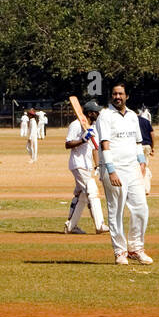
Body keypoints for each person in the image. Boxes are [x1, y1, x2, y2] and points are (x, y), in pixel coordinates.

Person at [95, 84, 149, 264]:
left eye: (121, 94)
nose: (117, 97)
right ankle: (120, 251)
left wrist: (142, 161)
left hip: (132, 168)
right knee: (116, 210)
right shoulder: (105, 115)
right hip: (114, 168)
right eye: (114, 94)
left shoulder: (133, 116)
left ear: (127, 96)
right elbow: (105, 144)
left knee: (141, 208)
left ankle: (136, 248)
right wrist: (111, 170)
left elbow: (137, 142)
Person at [64, 99, 107, 234]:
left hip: (87, 165)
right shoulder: (76, 125)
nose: (98, 114)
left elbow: (94, 149)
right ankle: (100, 225)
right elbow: (68, 144)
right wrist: (82, 139)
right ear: (90, 113)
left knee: (82, 195)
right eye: (96, 112)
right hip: (78, 164)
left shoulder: (92, 127)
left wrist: (98, 166)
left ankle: (71, 226)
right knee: (92, 191)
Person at [137, 108, 154, 194]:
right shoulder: (146, 121)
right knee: (144, 166)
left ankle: (142, 188)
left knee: (138, 167)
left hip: (137, 146)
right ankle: (146, 188)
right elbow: (152, 134)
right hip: (147, 145)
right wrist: (152, 147)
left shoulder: (131, 121)